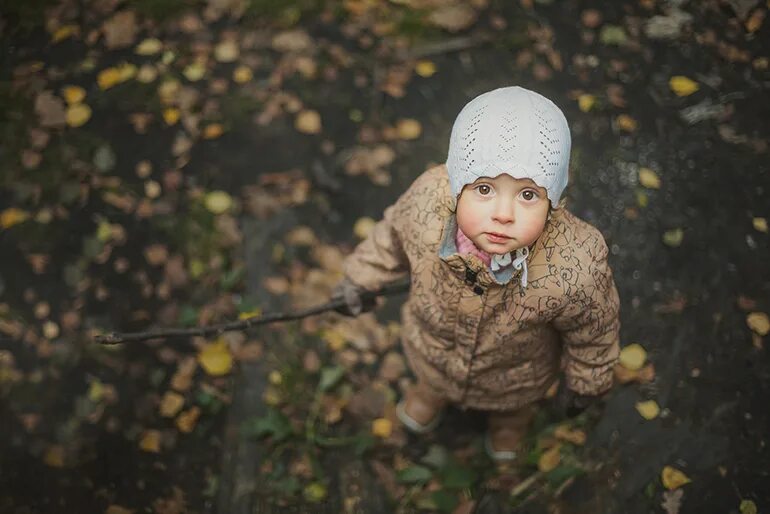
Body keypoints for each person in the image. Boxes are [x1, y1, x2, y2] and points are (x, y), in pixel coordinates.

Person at [332, 86, 620, 462]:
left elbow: (595, 328)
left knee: (512, 406)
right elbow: (391, 236)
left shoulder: (574, 265)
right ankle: (429, 395)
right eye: (484, 188)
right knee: (431, 379)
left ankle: (509, 425)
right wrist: (360, 277)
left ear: (554, 201)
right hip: (434, 348)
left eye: (528, 195)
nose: (504, 213)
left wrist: (586, 382)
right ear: (455, 187)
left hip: (516, 374)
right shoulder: (426, 207)